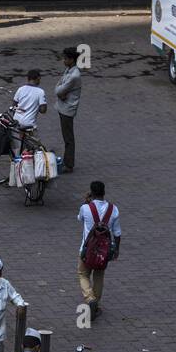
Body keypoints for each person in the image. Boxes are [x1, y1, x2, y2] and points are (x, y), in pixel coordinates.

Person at [77, 181, 121, 320]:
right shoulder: (113, 210)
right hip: (104, 252)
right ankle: (96, 303)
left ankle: (90, 299)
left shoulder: (85, 208)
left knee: (83, 274)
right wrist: (116, 250)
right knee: (99, 276)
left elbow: (79, 219)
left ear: (92, 193)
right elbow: (117, 233)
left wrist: (86, 202)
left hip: (87, 250)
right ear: (104, 192)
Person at [55, 47, 83, 173]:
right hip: (63, 107)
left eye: (66, 58)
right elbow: (58, 87)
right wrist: (60, 91)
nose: (63, 61)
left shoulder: (74, 76)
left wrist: (60, 92)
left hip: (67, 109)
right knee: (67, 137)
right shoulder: (69, 70)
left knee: (68, 138)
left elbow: (58, 90)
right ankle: (68, 162)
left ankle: (69, 164)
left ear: (71, 60)